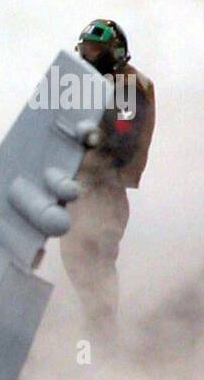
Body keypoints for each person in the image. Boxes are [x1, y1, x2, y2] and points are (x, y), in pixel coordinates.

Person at [60, 18, 156, 332]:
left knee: (97, 263)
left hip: (105, 192)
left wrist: (81, 146)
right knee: (75, 258)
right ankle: (96, 329)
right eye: (86, 49)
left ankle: (103, 339)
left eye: (96, 50)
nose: (89, 55)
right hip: (85, 189)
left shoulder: (128, 86)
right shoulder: (92, 82)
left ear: (114, 52)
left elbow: (123, 140)